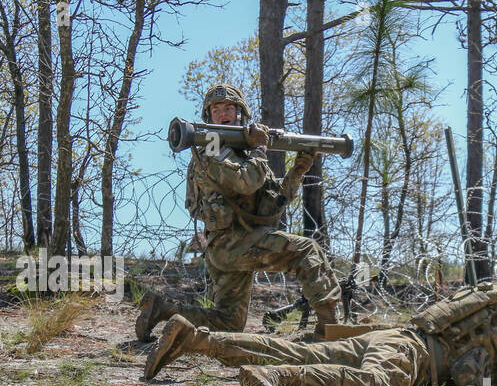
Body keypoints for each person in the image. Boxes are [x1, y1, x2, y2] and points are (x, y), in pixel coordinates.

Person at [142, 259, 497, 386]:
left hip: (392, 337)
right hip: (411, 357)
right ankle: (279, 379)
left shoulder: (486, 295)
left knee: (294, 348)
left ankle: (196, 337)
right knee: (377, 384)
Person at [134, 83, 343, 341]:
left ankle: (163, 310)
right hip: (230, 243)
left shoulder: (242, 151)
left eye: (229, 108)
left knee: (228, 322)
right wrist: (260, 148)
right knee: (307, 251)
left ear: (240, 112)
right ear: (208, 116)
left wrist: (298, 170)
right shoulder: (211, 148)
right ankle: (332, 331)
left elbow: (271, 203)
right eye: (216, 110)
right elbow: (247, 181)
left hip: (237, 243)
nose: (223, 114)